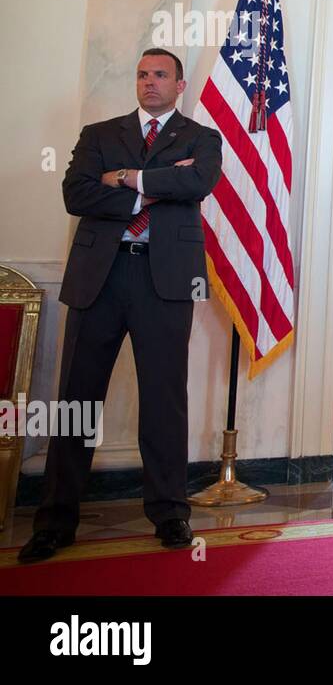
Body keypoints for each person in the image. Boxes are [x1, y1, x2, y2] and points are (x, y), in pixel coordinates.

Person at [19, 48, 222, 564]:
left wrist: (125, 177)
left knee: (164, 400)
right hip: (99, 278)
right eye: (142, 74)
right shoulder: (99, 135)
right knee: (76, 401)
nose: (149, 82)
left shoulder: (202, 139)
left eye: (160, 75)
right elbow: (76, 193)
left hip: (166, 281)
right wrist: (152, 188)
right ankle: (55, 521)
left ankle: (170, 513)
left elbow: (197, 182)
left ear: (180, 85)